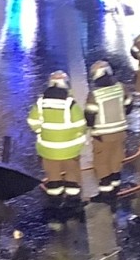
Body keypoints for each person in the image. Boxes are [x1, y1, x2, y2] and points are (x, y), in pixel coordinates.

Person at [27, 71, 86, 214]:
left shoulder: (40, 103)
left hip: (48, 149)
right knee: (72, 175)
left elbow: (32, 122)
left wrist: (43, 132)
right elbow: (80, 125)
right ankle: (73, 202)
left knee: (53, 175)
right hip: (70, 150)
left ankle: (55, 203)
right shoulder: (70, 104)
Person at [85, 60, 130, 202]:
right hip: (120, 132)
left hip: (102, 136)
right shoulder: (121, 87)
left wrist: (92, 128)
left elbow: (89, 115)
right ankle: (116, 188)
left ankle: (106, 194)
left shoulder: (95, 94)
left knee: (102, 163)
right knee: (116, 159)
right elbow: (128, 106)